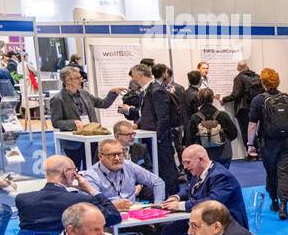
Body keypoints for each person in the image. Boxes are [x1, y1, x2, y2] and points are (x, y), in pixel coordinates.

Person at [159, 145, 248, 235]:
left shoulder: (221, 176)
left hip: (224, 223)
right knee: (169, 232)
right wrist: (177, 197)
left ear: (200, 159)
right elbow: (190, 189)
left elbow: (211, 202)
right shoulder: (200, 172)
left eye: (187, 162)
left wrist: (180, 206)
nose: (185, 167)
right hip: (204, 220)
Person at [16, 154, 120, 232]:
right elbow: (114, 217)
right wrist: (90, 189)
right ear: (66, 172)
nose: (76, 174)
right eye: (74, 170)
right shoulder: (80, 201)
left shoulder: (22, 199)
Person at [247, 68, 288, 220]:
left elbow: (252, 124)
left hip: (268, 143)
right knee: (285, 172)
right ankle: (284, 204)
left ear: (263, 83)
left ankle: (275, 201)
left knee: (271, 172)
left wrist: (250, 144)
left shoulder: (258, 100)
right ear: (278, 81)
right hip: (287, 142)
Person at [48, 66, 123, 167]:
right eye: (78, 78)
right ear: (68, 80)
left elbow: (103, 104)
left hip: (91, 138)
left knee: (93, 169)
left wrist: (113, 93)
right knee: (75, 170)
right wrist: (73, 123)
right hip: (73, 143)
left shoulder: (85, 93)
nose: (81, 80)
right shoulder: (58, 99)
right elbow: (56, 122)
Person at [122, 63, 178, 196]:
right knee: (158, 167)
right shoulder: (148, 90)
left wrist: (158, 138)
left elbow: (163, 118)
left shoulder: (156, 90)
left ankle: (171, 197)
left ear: (140, 75)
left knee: (165, 168)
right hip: (152, 137)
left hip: (159, 139)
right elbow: (148, 114)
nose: (133, 80)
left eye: (134, 76)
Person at [184, 88, 239, 167]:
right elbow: (233, 133)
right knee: (222, 176)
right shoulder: (223, 115)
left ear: (199, 99)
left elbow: (189, 139)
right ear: (212, 98)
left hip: (202, 156)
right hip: (223, 153)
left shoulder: (195, 117)